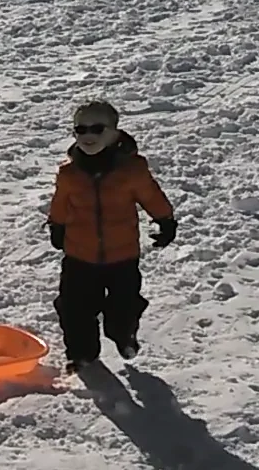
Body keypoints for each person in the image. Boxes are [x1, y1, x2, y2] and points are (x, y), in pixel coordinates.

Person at [46, 99, 177, 371]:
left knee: (122, 309)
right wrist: (57, 225)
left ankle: (124, 334)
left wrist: (165, 220)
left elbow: (150, 195)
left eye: (97, 128)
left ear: (114, 133)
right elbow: (61, 202)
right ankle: (81, 354)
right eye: (80, 130)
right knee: (73, 309)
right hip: (79, 255)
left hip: (122, 256)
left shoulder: (132, 169)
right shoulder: (69, 173)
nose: (88, 136)